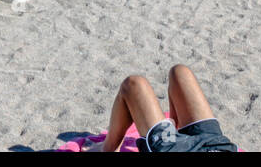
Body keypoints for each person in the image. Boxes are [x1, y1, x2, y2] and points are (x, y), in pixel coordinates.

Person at [88, 64, 240, 153]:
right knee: (180, 72)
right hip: (216, 144)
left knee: (133, 84)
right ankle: (174, 129)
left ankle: (107, 148)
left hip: (175, 149)